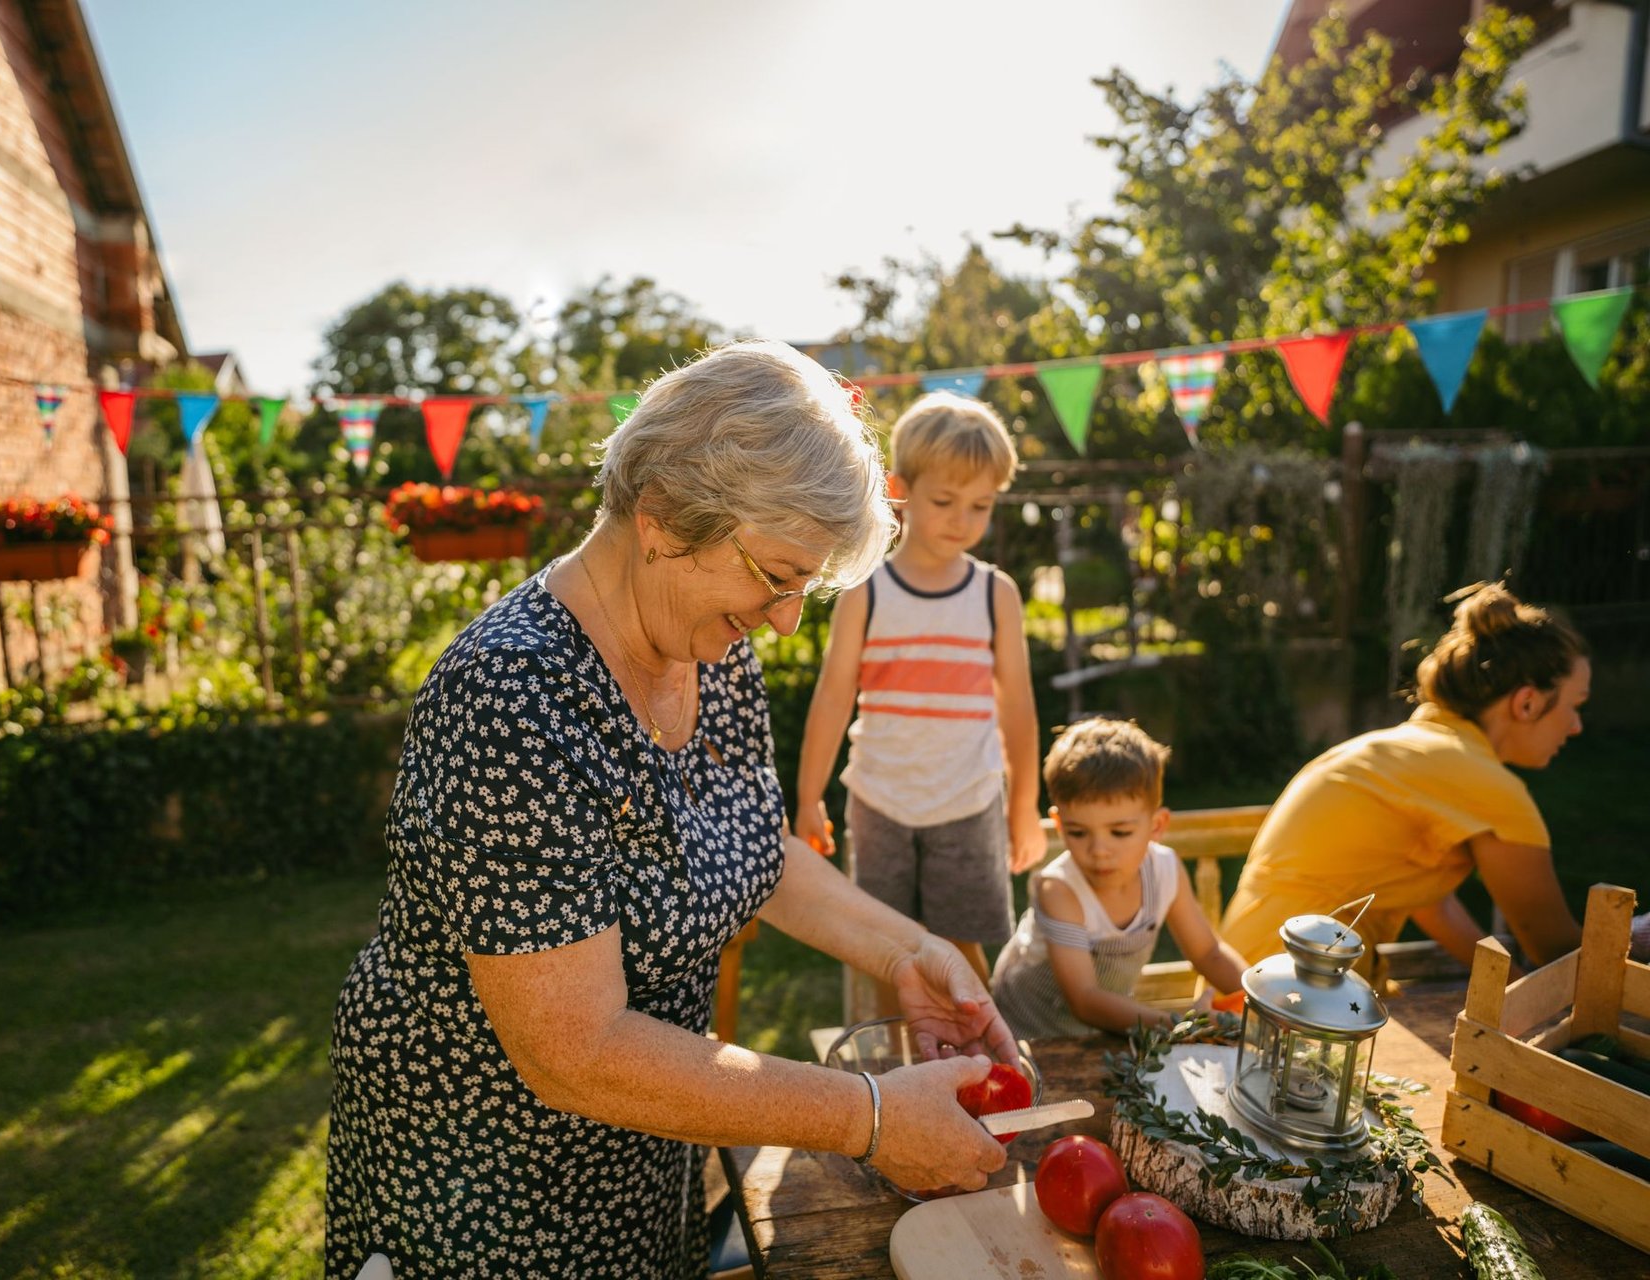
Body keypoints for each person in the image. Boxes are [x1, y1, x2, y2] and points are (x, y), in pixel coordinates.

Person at [327, 341, 1024, 1280]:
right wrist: (870, 1118)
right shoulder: (511, 696)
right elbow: (575, 1049)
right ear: (659, 521)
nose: (786, 619)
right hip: (479, 1195)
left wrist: (909, 952)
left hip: (644, 1157)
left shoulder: (711, 646)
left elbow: (754, 849)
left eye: (804, 587)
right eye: (777, 576)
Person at [794, 391, 1047, 1000]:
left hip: (968, 801)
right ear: (900, 490)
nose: (962, 519)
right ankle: (896, 1081)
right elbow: (832, 700)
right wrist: (807, 800)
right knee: (888, 951)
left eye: (980, 505)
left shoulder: (996, 596)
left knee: (962, 950)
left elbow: (1017, 711)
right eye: (944, 501)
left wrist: (1023, 808)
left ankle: (990, 1071)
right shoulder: (867, 591)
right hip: (880, 805)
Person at [1218, 582, 1590, 984]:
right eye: (1575, 705)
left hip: (1247, 975)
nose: (1576, 727)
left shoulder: (1418, 753)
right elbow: (1554, 946)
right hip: (1292, 993)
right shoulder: (1485, 785)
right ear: (1527, 702)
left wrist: (1508, 984)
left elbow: (1434, 906)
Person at [989, 717, 1247, 1037]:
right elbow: (1084, 1000)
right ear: (1059, 824)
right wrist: (1178, 1025)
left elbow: (1208, 953)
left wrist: (1260, 1001)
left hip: (1104, 1030)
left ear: (1156, 826)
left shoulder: (1165, 871)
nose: (1099, 850)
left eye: (1120, 832)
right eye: (1078, 832)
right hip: (1027, 1033)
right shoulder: (1058, 889)